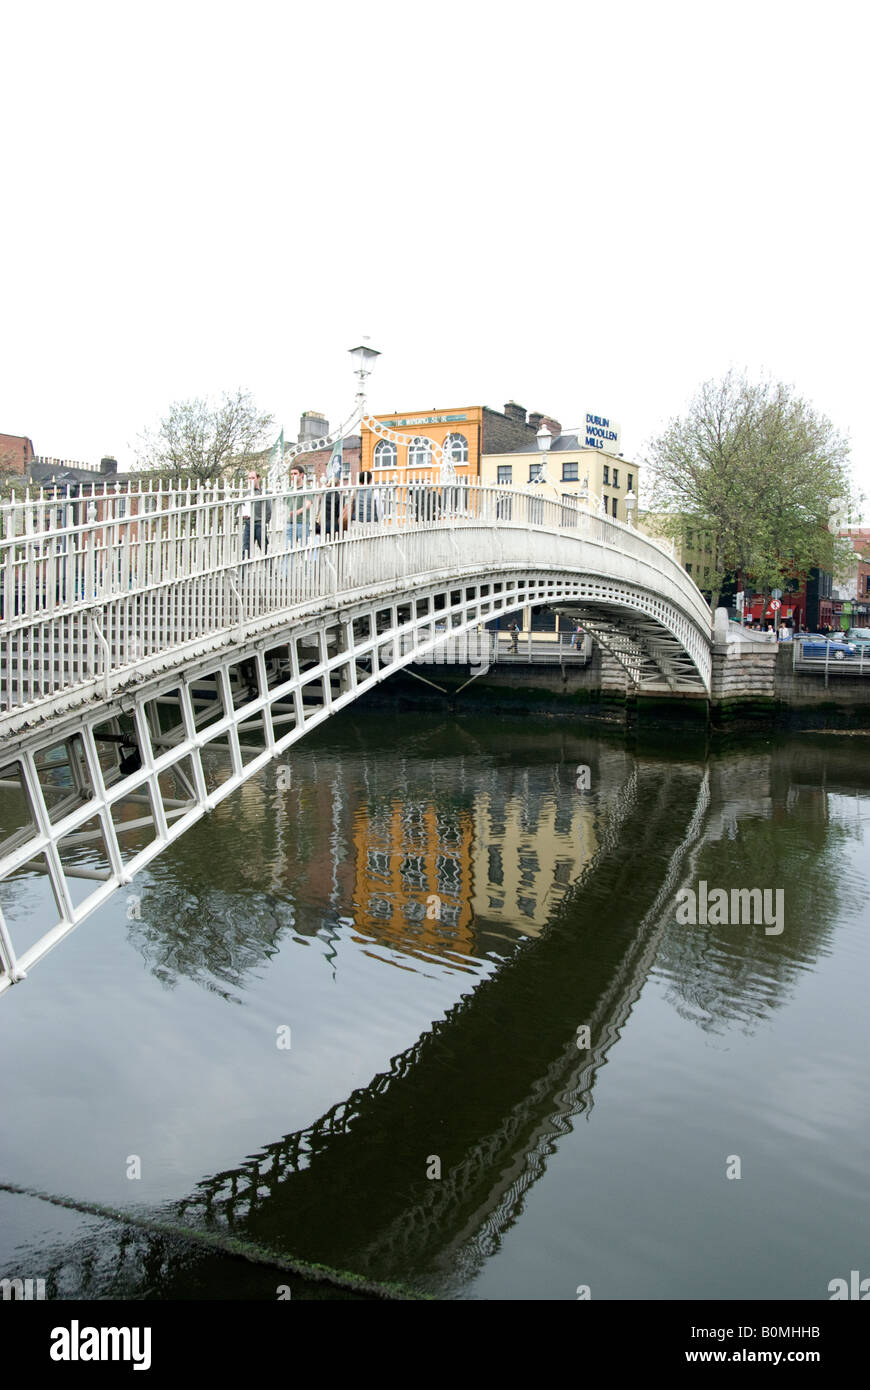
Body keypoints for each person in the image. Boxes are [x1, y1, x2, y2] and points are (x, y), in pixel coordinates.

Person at [241, 473, 271, 558]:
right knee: (246, 548)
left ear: (258, 479)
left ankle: (270, 569)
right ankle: (244, 570)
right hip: (248, 523)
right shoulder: (246, 493)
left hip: (259, 523)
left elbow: (268, 508)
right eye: (249, 478)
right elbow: (242, 507)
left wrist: (265, 521)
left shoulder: (263, 492)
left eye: (253, 478)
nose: (251, 480)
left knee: (264, 547)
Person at [286, 464, 312, 549]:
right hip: (289, 522)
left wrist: (297, 512)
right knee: (288, 549)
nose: (293, 476)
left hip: (302, 522)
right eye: (291, 474)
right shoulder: (289, 490)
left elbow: (308, 504)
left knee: (303, 548)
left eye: (295, 473)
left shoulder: (307, 488)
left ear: (301, 475)